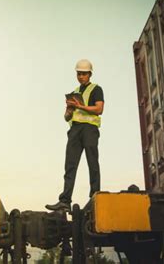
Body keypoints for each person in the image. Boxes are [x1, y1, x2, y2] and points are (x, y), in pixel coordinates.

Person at [46, 59, 104, 212]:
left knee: (92, 162)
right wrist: (69, 109)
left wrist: (80, 106)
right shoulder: (75, 92)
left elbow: (99, 109)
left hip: (90, 129)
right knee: (70, 166)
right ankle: (65, 201)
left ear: (90, 74)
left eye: (84, 74)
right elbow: (67, 117)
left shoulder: (96, 89)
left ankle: (95, 194)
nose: (81, 76)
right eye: (79, 74)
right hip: (75, 131)